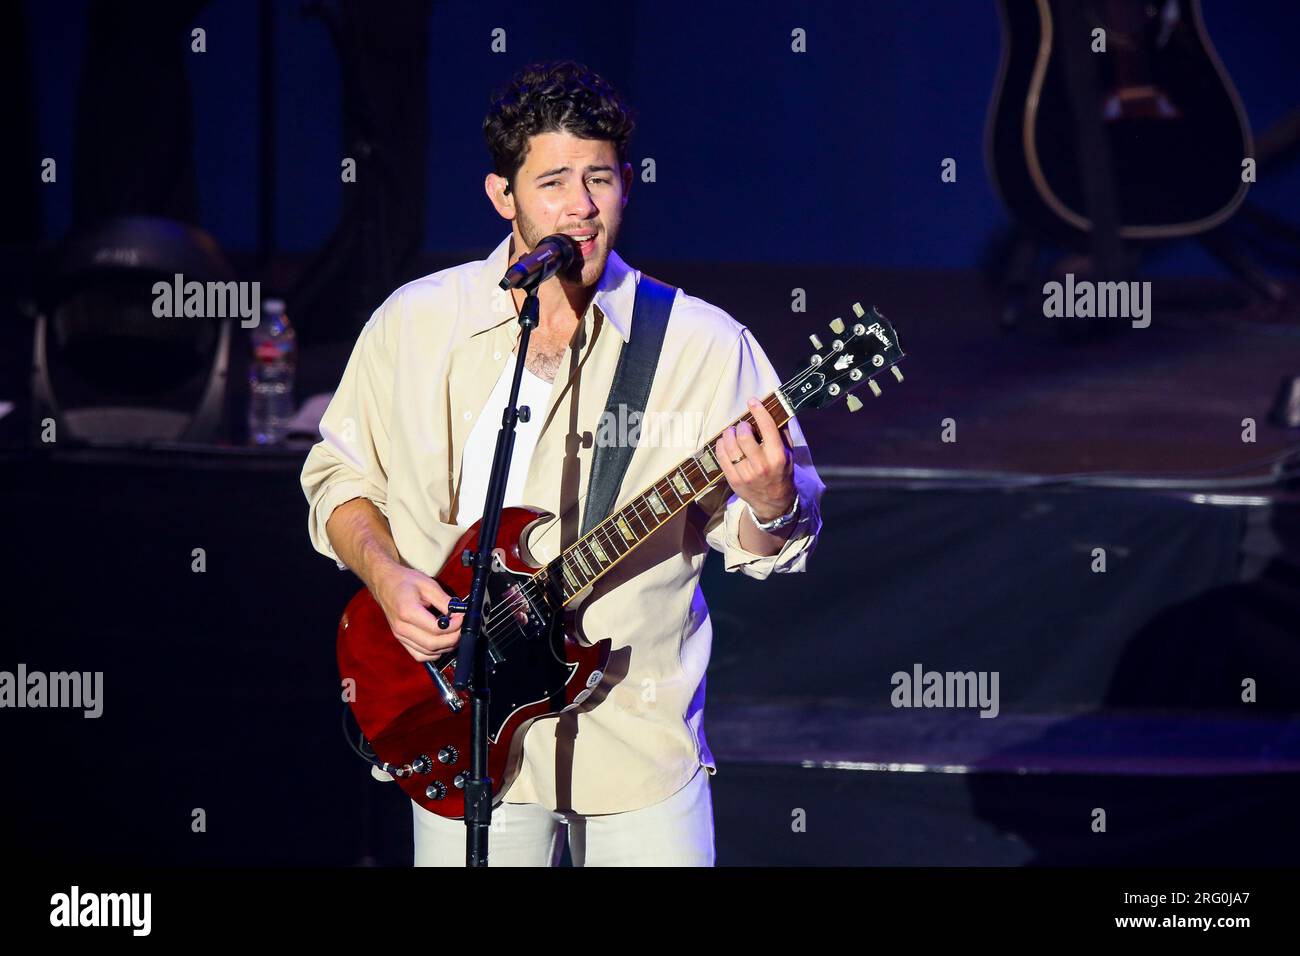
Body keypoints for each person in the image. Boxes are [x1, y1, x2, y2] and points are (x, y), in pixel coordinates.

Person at [300, 60, 825, 866]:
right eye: (553, 182)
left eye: (601, 179)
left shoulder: (700, 345)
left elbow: (775, 547)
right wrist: (384, 575)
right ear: (502, 196)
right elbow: (338, 477)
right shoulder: (414, 324)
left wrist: (772, 501)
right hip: (461, 729)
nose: (580, 208)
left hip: (635, 748)